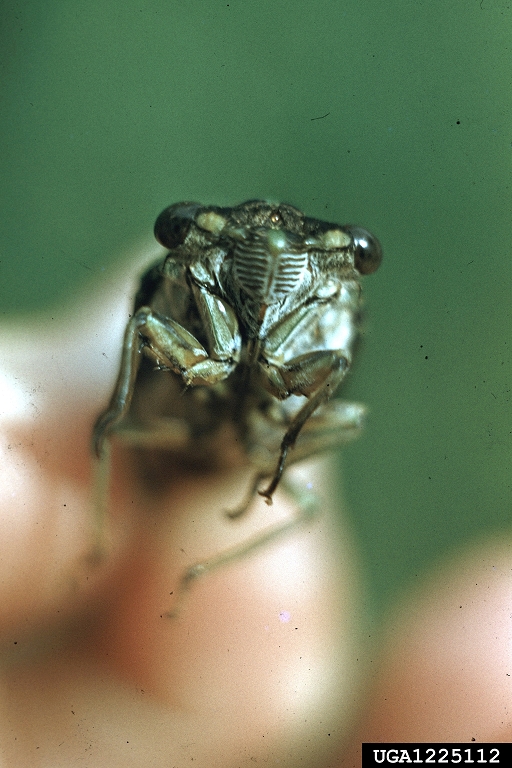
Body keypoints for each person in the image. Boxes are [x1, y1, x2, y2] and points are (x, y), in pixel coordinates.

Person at [0, 247, 364, 767]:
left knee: (308, 501)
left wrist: (285, 451)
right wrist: (116, 405)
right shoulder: (196, 277)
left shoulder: (325, 314)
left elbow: (331, 386)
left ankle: (195, 566)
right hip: (162, 434)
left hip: (250, 446)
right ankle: (105, 543)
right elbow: (145, 326)